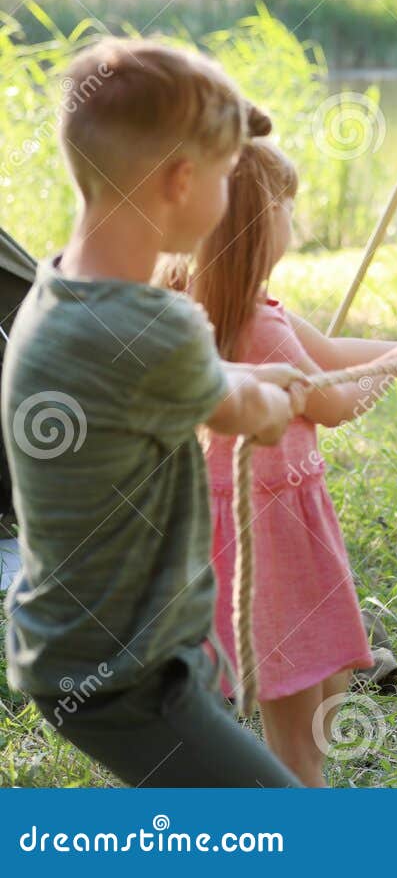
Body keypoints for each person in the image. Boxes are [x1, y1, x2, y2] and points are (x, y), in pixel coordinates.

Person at [3, 40, 305, 786]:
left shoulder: (60, 292)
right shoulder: (157, 330)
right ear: (181, 181)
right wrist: (268, 394)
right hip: (123, 675)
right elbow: (249, 413)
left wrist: (251, 375)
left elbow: (164, 381)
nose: (231, 193)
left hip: (93, 647)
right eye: (227, 174)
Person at [166, 109, 397, 785]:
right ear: (257, 223)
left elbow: (329, 353)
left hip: (263, 521)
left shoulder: (226, 304)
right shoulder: (258, 326)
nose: (294, 223)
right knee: (299, 724)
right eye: (286, 208)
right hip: (271, 534)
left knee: (318, 690)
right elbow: (332, 400)